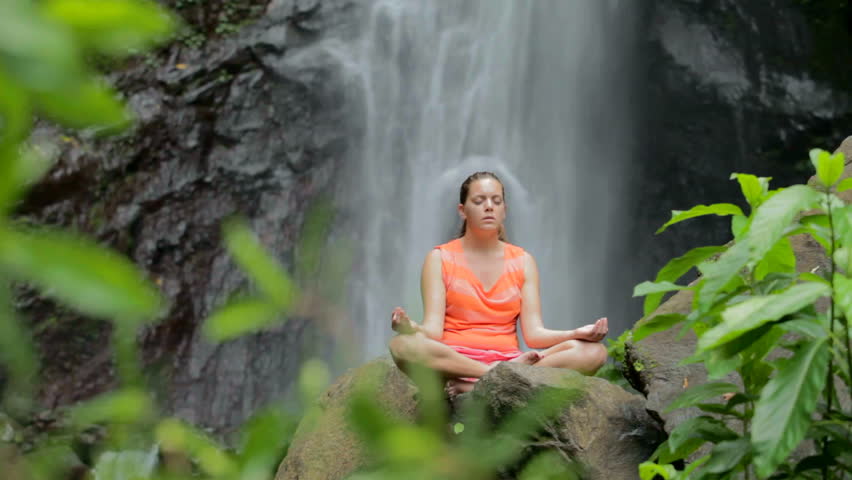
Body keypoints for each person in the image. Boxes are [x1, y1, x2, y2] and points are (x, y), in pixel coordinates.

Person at [388, 171, 609, 396]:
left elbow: (534, 334)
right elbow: (433, 331)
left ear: (504, 211)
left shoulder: (523, 261)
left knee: (593, 352)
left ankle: (480, 385)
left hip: (511, 360)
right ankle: (496, 377)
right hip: (454, 362)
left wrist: (577, 333)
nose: (489, 207)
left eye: (496, 201)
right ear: (462, 211)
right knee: (402, 345)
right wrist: (411, 328)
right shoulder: (440, 258)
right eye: (479, 200)